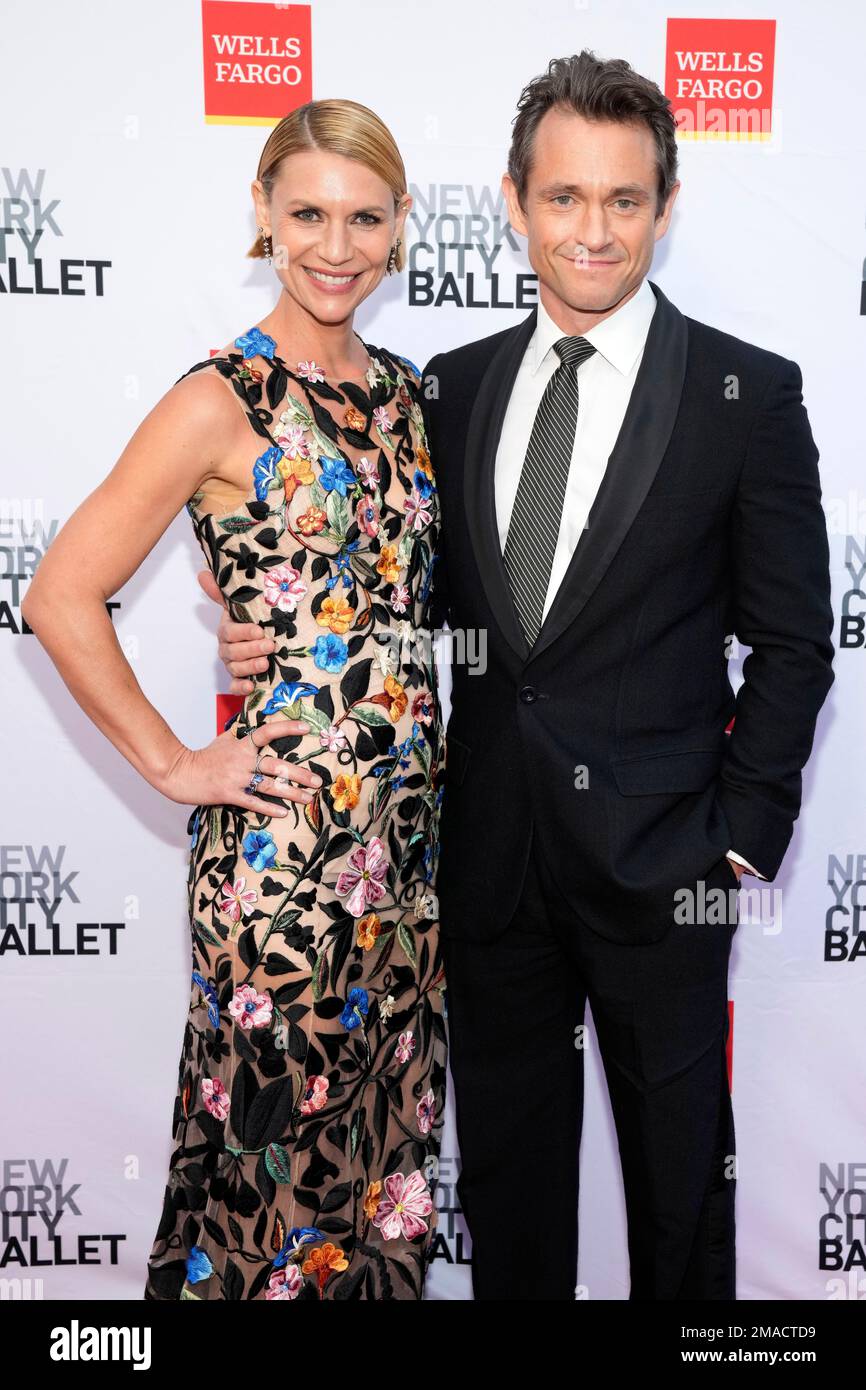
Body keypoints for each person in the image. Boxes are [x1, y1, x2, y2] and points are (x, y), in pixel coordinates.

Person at [213, 53, 835, 1301]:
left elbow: (792, 643)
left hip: (664, 869)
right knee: (507, 1185)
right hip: (486, 861)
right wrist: (297, 637)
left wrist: (737, 840)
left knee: (678, 1192)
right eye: (562, 198)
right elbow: (423, 609)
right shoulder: (449, 389)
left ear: (663, 206)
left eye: (620, 199)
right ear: (512, 202)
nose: (590, 230)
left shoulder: (746, 395)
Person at [22, 99, 448, 1302]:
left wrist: (269, 617)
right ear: (261, 213)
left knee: (382, 1176)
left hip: (408, 873)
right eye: (306, 211)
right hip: (283, 870)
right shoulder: (222, 396)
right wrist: (172, 762)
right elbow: (62, 593)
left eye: (363, 216)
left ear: (400, 224)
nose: (334, 244)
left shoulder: (415, 400)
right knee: (269, 1180)